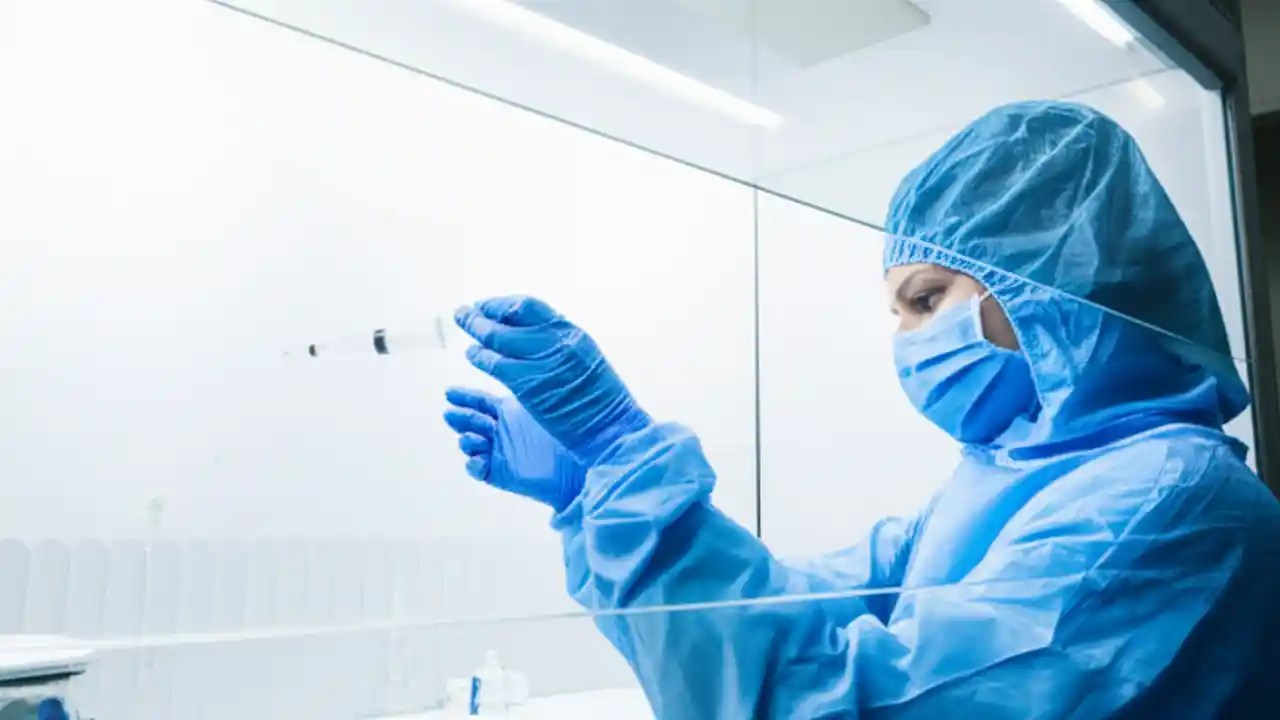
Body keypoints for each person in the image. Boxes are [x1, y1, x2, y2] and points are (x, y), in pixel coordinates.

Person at [442, 101, 1280, 718]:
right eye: (898, 313)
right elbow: (778, 615)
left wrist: (627, 458)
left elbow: (828, 700)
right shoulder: (1002, 484)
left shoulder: (1170, 502)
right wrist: (596, 499)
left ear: (1053, 286)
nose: (907, 340)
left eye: (926, 299)